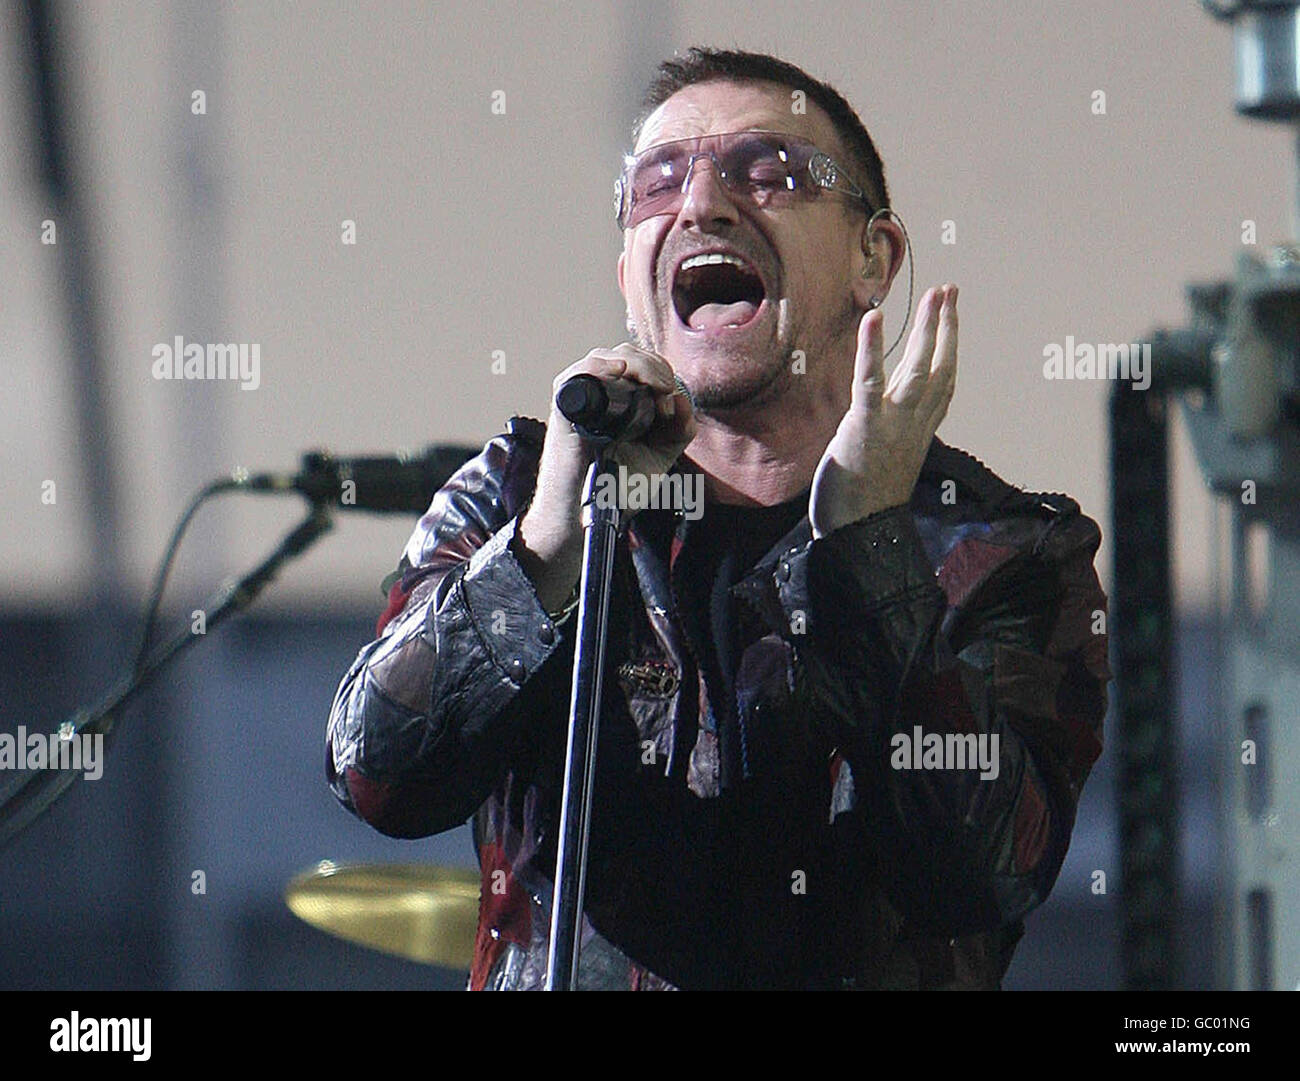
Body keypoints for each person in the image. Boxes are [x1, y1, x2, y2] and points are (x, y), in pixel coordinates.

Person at [326, 46, 1110, 990]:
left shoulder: (1002, 550)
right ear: (630, 276)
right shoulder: (518, 495)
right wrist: (547, 551)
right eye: (659, 183)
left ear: (876, 257)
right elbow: (378, 775)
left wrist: (867, 543)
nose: (700, 205)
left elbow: (984, 868)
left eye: (765, 171)